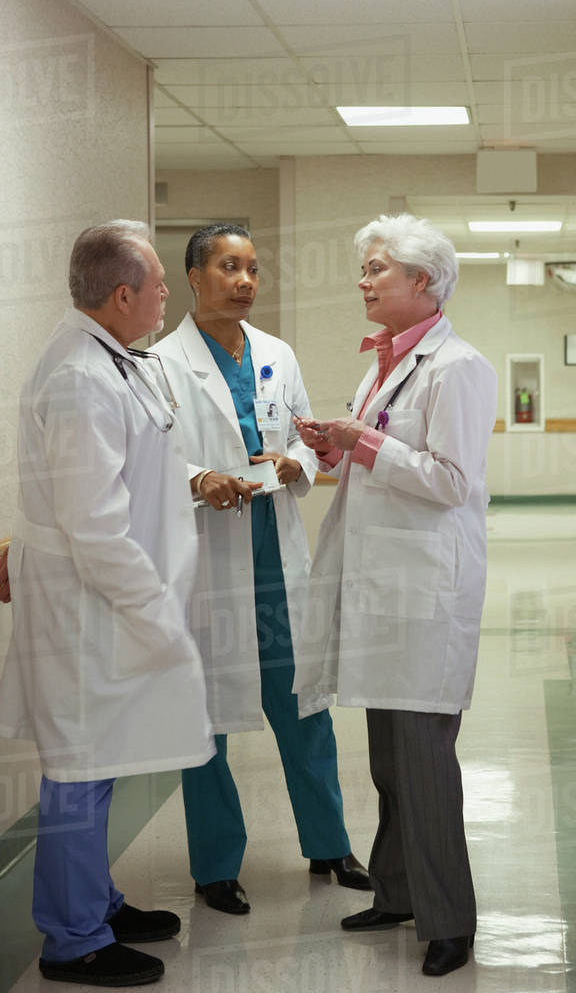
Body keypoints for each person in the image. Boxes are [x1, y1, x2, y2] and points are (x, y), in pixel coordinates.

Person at [0, 221, 214, 987]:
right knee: (80, 768)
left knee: (107, 755)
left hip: (116, 606)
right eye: (157, 283)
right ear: (122, 295)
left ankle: (98, 901)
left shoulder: (113, 359)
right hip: (92, 610)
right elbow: (95, 528)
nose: (165, 293)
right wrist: (157, 616)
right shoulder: (80, 379)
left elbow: (147, 467)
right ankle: (72, 939)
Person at [292, 213, 497, 978]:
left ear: (423, 281)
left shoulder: (459, 367)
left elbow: (450, 481)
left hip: (424, 597)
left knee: (424, 763)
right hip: (380, 590)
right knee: (387, 759)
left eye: (377, 268)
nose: (363, 280)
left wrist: (363, 441)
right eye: (364, 268)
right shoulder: (382, 365)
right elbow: (377, 468)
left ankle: (451, 922)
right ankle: (400, 891)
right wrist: (333, 448)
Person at [153, 223, 369, 917]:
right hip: (207, 563)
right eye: (228, 267)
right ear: (193, 276)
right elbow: (148, 462)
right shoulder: (161, 364)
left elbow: (306, 439)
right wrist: (198, 478)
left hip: (274, 555)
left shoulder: (276, 353)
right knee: (205, 720)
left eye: (252, 268)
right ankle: (216, 866)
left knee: (305, 706)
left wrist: (295, 462)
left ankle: (329, 843)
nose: (245, 281)